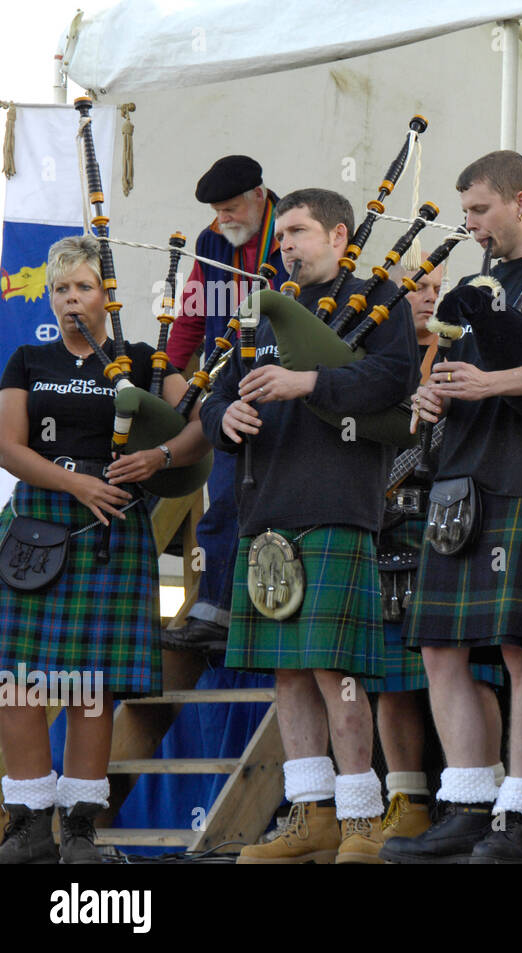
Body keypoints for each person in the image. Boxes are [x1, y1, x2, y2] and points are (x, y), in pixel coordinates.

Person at [381, 150, 522, 864]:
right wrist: (433, 394)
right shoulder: (473, 288)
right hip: (458, 479)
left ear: (520, 200)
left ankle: (521, 815)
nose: (471, 224)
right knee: (440, 648)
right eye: (467, 212)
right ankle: (469, 804)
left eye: (479, 210)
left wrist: (494, 382)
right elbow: (453, 373)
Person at [200, 188, 417, 864]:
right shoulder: (263, 312)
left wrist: (309, 384)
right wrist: (222, 420)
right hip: (266, 507)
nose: (286, 244)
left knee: (335, 668)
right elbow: (217, 387)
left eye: (298, 232)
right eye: (282, 236)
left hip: (336, 503)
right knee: (285, 671)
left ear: (339, 234)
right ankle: (312, 816)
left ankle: (360, 819)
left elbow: (393, 381)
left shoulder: (381, 302)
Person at [0, 235, 208, 863]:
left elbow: (201, 425)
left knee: (94, 684)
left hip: (112, 529)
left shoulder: (143, 362)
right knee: (17, 683)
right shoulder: (27, 361)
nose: (71, 299)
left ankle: (82, 825)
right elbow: (9, 447)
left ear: (106, 296)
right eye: (61, 288)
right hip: (39, 520)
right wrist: (74, 482)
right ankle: (29, 823)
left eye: (83, 287)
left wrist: (160, 456)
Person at [364, 260, 505, 842]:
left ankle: (486, 797)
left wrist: (436, 415)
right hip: (389, 524)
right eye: (411, 289)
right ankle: (408, 800)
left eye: (432, 288)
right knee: (395, 677)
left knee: (474, 671)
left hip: (458, 517)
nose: (425, 299)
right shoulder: (369, 360)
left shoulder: (467, 349)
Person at [164, 156, 285, 655]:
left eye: (231, 208)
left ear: (259, 195)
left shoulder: (292, 230)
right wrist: (166, 373)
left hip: (282, 388)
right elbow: (192, 317)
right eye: (217, 211)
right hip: (227, 390)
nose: (224, 219)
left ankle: (261, 619)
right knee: (221, 508)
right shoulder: (212, 241)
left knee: (260, 510)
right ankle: (214, 613)